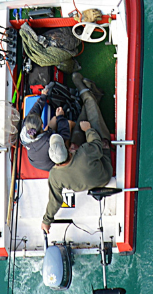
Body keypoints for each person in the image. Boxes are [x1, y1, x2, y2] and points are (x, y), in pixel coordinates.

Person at [40, 73, 113, 233]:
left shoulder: (54, 176)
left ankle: (91, 96)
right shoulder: (85, 153)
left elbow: (55, 201)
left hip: (87, 179)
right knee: (91, 118)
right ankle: (87, 92)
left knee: (81, 123)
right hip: (104, 172)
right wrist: (89, 131)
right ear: (67, 150)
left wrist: (47, 220)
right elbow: (97, 145)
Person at [20, 108, 71, 172]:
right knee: (69, 123)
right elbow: (64, 135)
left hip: (38, 161)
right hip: (55, 164)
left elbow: (36, 108)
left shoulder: (24, 135)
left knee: (55, 119)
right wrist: (61, 117)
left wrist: (42, 100)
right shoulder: (48, 140)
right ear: (42, 125)